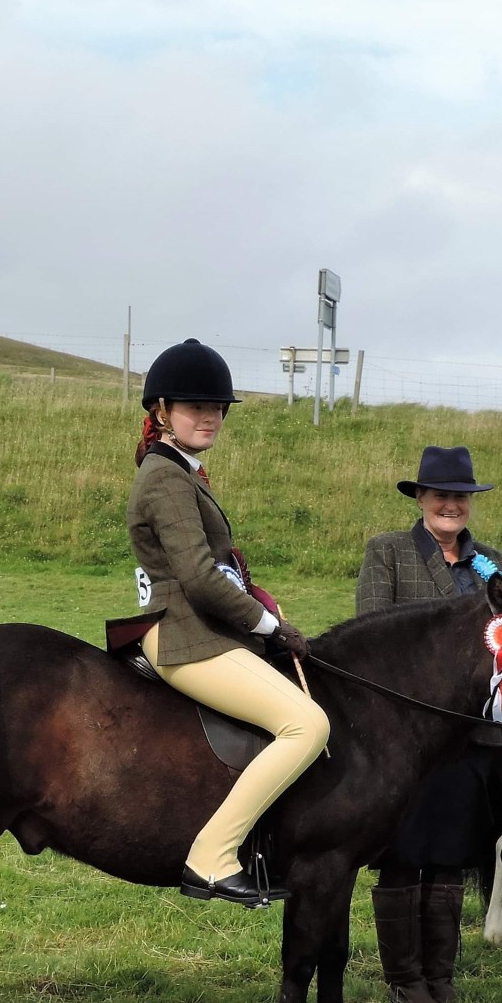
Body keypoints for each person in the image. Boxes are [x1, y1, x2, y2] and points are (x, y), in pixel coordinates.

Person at [123, 338, 330, 907]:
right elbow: (196, 575)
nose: (209, 416)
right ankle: (211, 856)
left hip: (204, 627)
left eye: (217, 407)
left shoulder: (182, 471)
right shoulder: (166, 478)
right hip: (186, 634)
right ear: (161, 411)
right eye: (195, 406)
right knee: (307, 726)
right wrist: (267, 626)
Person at [355, 446, 502, 1003]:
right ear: (420, 498)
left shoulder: (491, 564)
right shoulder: (388, 553)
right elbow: (371, 638)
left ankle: (440, 976)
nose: (451, 505)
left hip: (469, 733)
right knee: (403, 851)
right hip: (405, 735)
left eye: (461, 496)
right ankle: (402, 980)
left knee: (451, 851)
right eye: (440, 494)